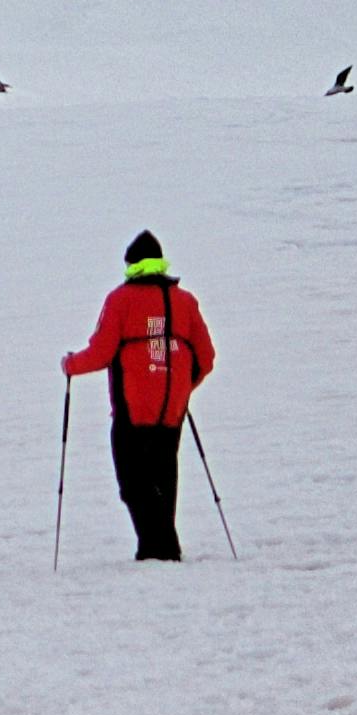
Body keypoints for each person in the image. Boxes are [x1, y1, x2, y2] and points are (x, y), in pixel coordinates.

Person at [63, 230, 218, 561]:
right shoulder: (185, 301)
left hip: (133, 409)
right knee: (163, 476)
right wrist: (182, 389)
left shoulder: (120, 300)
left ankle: (157, 548)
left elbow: (102, 352)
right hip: (172, 409)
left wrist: (70, 365)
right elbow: (206, 358)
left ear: (131, 264)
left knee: (132, 480)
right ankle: (162, 547)